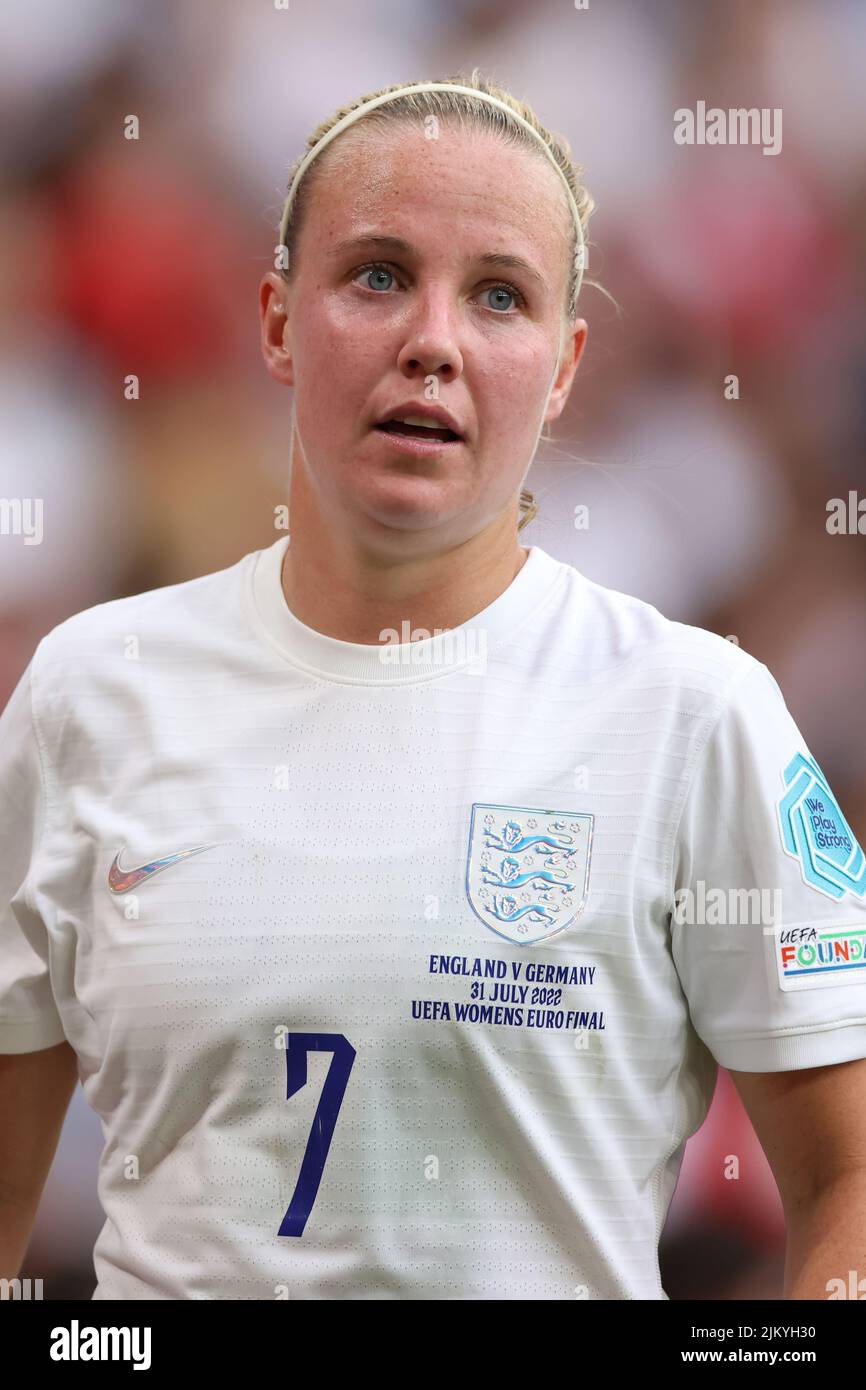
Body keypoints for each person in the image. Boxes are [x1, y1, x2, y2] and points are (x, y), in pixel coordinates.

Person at [1, 71, 865, 1302]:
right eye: (377, 274)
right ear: (276, 321)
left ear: (562, 366)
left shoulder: (695, 712)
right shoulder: (89, 692)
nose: (433, 342)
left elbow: (849, 1179)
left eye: (498, 296)